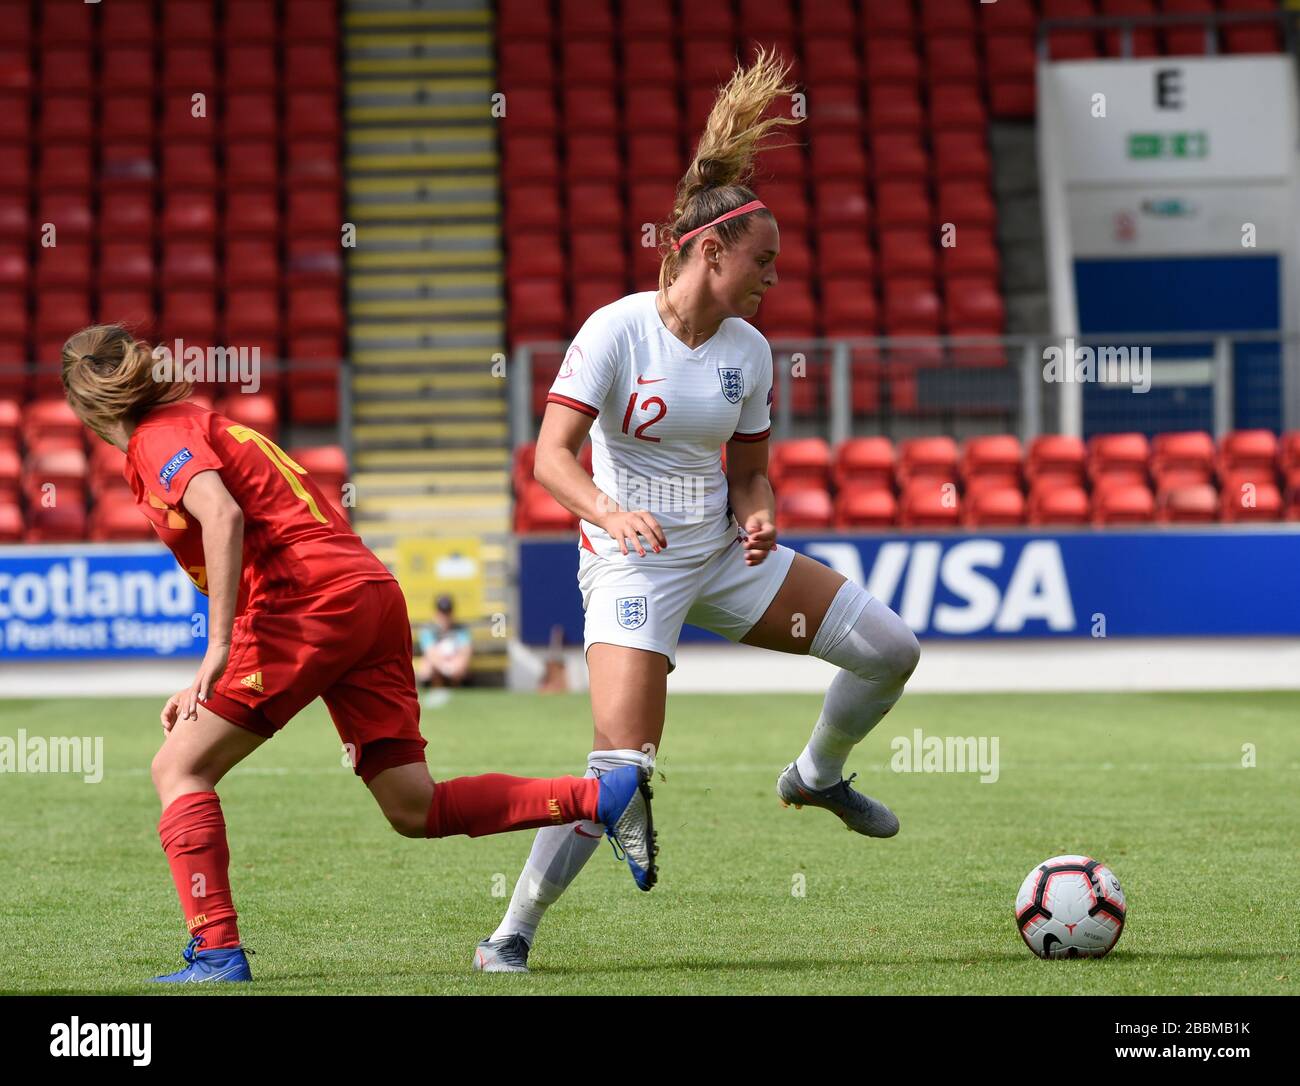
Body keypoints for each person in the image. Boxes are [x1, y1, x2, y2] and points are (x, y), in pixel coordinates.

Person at [475, 50, 919, 973]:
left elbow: (750, 471)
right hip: (630, 563)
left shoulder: (750, 350)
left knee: (889, 651)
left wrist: (759, 513)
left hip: (721, 553)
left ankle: (816, 776)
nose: (773, 280)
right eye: (763, 263)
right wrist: (609, 510)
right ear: (708, 252)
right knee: (618, 771)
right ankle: (511, 932)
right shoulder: (614, 330)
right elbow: (549, 459)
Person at [60, 324, 657, 984]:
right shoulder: (190, 422)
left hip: (308, 601)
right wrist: (226, 660)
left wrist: (220, 647)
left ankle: (217, 952)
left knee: (178, 768)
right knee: (413, 806)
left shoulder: (157, 438)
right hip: (365, 594)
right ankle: (603, 795)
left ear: (83, 404)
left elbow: (223, 517)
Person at [415, 593, 473, 692]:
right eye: (442, 612)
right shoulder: (428, 630)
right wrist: (445, 668)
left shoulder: (461, 629)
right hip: (438, 665)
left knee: (460, 665)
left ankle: (455, 689)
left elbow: (465, 651)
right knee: (426, 668)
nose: (445, 616)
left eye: (447, 612)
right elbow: (430, 653)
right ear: (436, 612)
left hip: (455, 663)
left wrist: (454, 666)